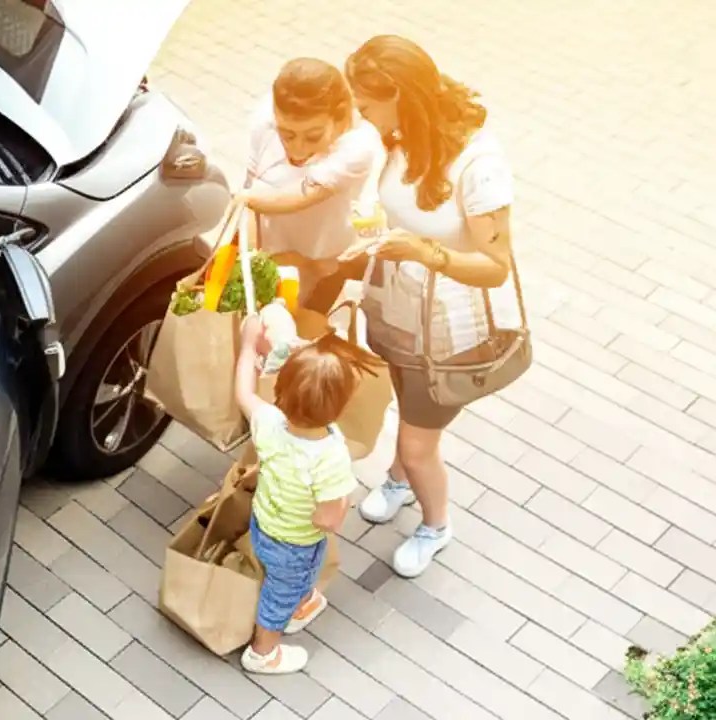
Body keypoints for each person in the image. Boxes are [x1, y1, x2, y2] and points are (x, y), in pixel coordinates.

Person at [330, 35, 521, 578]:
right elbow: (400, 211)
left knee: (419, 444)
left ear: (401, 96)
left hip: (452, 335)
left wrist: (425, 251)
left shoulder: (480, 166)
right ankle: (397, 481)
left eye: (367, 105)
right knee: (403, 406)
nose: (362, 117)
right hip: (394, 310)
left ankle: (436, 524)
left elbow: (496, 265)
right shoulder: (399, 137)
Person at [234, 315, 377, 674]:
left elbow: (243, 393)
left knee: (292, 575)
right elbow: (326, 519)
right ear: (341, 407)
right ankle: (263, 652)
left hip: (264, 523)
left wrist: (249, 344)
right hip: (296, 542)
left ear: (280, 390)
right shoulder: (331, 457)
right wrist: (341, 502)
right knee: (280, 593)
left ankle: (301, 599)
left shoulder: (266, 421)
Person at [235, 57, 386, 310]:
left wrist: (243, 199)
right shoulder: (265, 119)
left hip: (324, 264)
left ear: (341, 117)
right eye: (287, 135)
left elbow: (297, 198)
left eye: (313, 136)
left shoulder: (359, 145)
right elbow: (251, 186)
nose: (297, 148)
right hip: (271, 253)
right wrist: (251, 261)